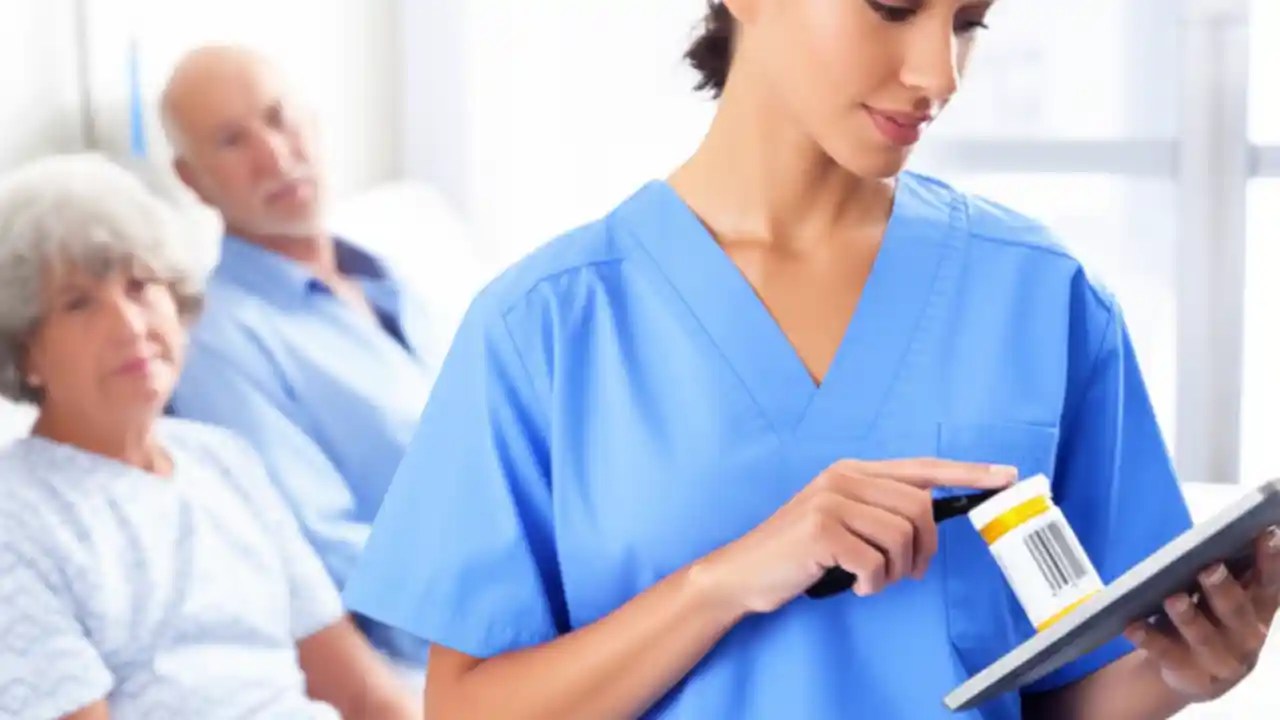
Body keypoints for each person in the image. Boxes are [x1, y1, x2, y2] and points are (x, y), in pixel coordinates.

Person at [344, 1, 1280, 718]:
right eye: (892, 6)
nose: (939, 73)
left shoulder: (1044, 298)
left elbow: (1066, 694)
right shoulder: (544, 326)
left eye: (968, 23)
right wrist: (728, 580)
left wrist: (1182, 672)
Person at [0, 154, 418, 720]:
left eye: (141, 286)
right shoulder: (19, 516)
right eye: (79, 304)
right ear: (27, 353)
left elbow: (361, 690)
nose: (130, 326)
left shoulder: (223, 460)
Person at [158, 45, 435, 664]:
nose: (276, 156)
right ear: (192, 179)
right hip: (464, 638)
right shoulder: (218, 344)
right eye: (233, 141)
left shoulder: (398, 278)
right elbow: (327, 556)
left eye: (280, 118)